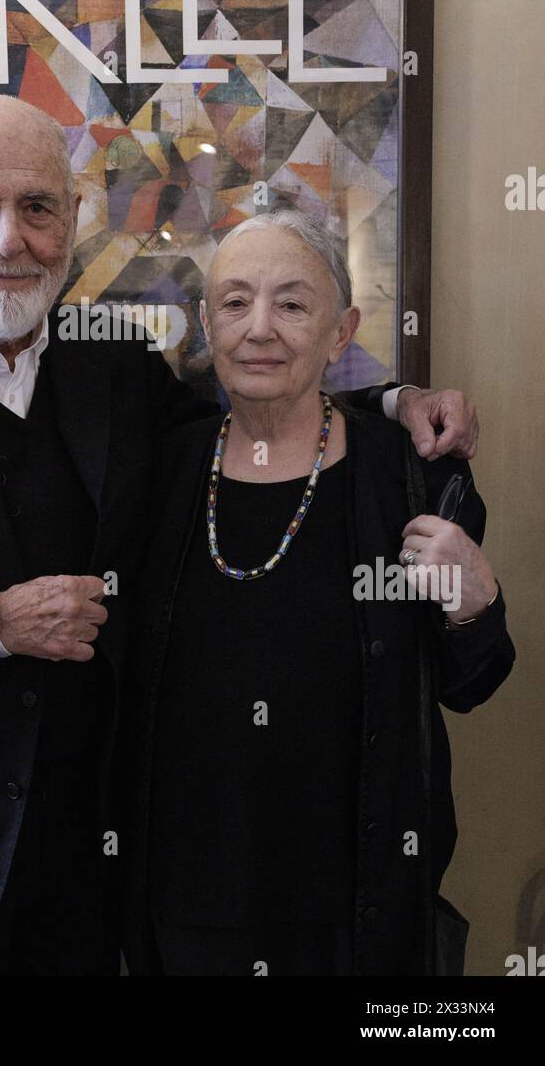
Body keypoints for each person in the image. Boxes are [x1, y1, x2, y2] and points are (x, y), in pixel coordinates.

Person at [0, 95, 480, 976]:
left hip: (99, 869)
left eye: (38, 208)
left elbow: (260, 389)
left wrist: (396, 405)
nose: (9, 239)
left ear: (75, 220)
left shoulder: (114, 366)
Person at [124, 210, 514, 977]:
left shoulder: (413, 475)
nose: (259, 328)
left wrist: (475, 601)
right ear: (207, 325)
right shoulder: (155, 471)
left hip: (359, 906)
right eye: (234, 302)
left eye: (293, 304)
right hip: (187, 899)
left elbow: (474, 683)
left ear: (342, 331)